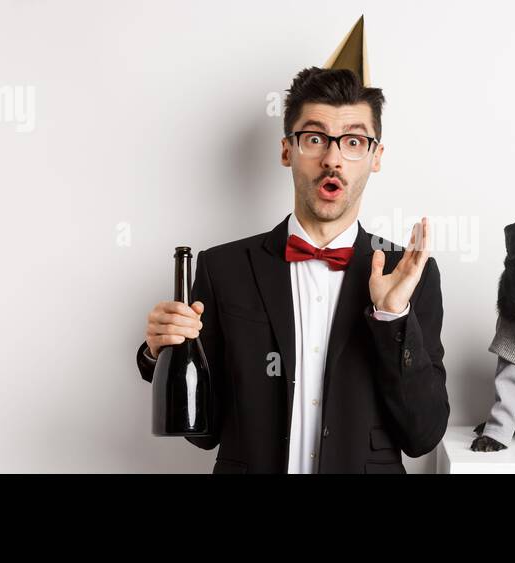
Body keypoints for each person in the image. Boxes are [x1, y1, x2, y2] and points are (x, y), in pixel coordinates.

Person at [137, 18, 448, 474]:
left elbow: (422, 436)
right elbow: (204, 432)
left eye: (354, 141)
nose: (333, 158)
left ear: (376, 157)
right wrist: (159, 351)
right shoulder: (223, 267)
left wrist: (392, 318)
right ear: (287, 150)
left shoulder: (412, 272)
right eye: (315, 138)